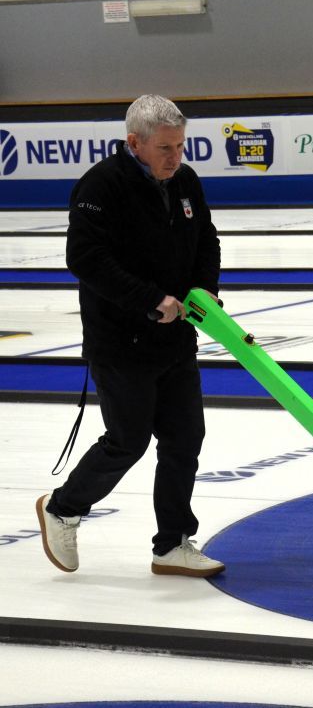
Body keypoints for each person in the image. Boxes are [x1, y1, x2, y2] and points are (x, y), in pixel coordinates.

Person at [36, 94, 224, 578]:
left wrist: (203, 288)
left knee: (185, 439)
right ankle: (63, 508)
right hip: (121, 343)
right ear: (133, 143)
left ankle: (174, 543)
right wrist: (149, 299)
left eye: (181, 146)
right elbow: (86, 259)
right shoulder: (101, 185)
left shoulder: (184, 181)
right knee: (128, 440)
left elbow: (207, 239)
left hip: (175, 340)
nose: (175, 157)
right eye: (165, 148)